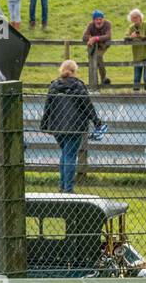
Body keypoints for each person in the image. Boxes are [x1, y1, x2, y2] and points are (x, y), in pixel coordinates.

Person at [41, 60, 104, 193]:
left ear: (61, 70)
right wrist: (96, 121)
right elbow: (87, 105)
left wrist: (44, 124)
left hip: (57, 127)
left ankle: (63, 186)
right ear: (75, 72)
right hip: (76, 126)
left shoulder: (54, 85)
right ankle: (68, 189)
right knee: (70, 155)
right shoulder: (78, 86)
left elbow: (47, 107)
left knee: (65, 154)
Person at [124, 8, 146, 91]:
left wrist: (142, 37)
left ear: (140, 17)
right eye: (133, 18)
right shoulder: (131, 27)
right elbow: (125, 38)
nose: (134, 20)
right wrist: (131, 37)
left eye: (136, 17)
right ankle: (136, 98)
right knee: (136, 78)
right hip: (137, 56)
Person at [82, 10, 113, 85]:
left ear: (103, 19)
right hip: (92, 46)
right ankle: (95, 82)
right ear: (93, 20)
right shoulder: (91, 25)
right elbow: (84, 37)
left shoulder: (107, 24)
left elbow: (108, 36)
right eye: (97, 19)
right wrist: (90, 38)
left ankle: (103, 78)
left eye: (100, 19)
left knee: (98, 56)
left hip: (103, 45)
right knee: (92, 61)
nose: (99, 21)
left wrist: (96, 38)